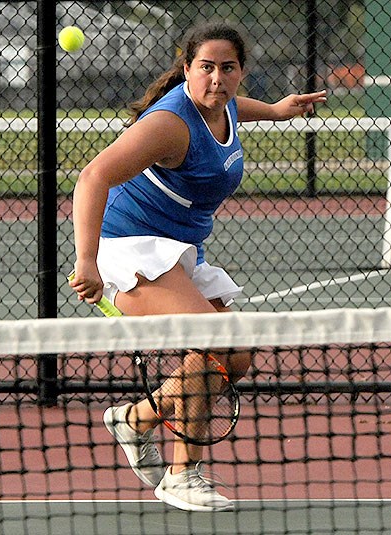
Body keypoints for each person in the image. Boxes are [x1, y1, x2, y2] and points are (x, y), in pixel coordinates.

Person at [69, 21, 327, 512]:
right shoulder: (169, 123)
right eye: (205, 67)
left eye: (228, 68)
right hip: (128, 247)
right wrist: (87, 261)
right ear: (186, 69)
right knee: (211, 342)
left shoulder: (222, 104)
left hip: (179, 247)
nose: (216, 78)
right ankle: (182, 475)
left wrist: (275, 110)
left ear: (240, 71)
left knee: (237, 356)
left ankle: (136, 420)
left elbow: (232, 106)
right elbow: (93, 176)